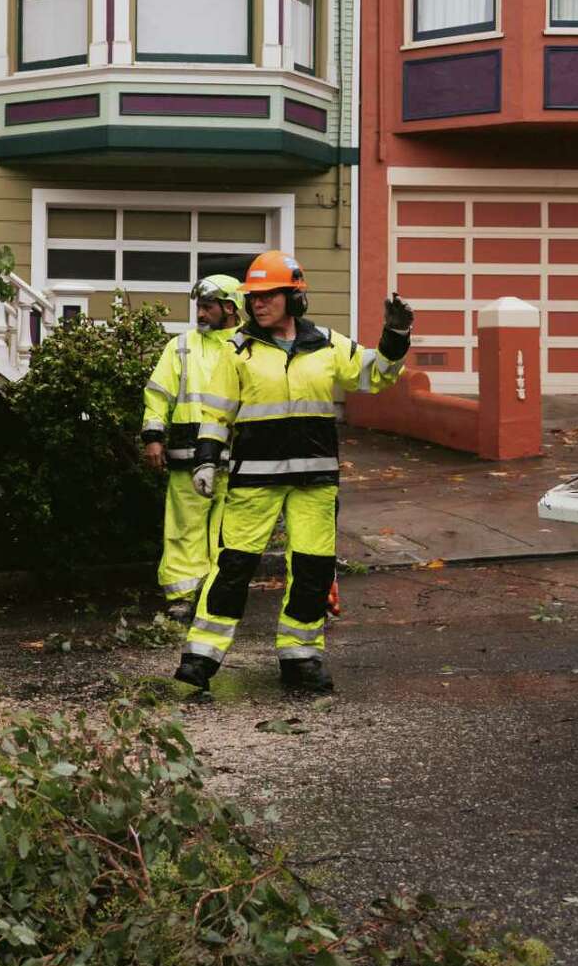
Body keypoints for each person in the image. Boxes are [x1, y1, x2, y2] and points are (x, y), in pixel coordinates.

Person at [174, 251, 415, 695]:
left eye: (269, 295)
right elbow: (216, 413)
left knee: (311, 571)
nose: (258, 303)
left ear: (294, 297)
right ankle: (200, 658)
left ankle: (300, 657)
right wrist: (206, 458)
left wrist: (396, 334)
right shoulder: (237, 349)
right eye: (254, 297)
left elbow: (376, 375)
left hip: (314, 482)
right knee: (233, 566)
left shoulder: (327, 343)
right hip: (253, 481)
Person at [140, 274, 244, 622]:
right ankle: (183, 597)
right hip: (188, 457)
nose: (200, 314)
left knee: (227, 533)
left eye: (207, 307)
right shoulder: (181, 347)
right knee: (185, 529)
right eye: (199, 307)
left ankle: (216, 595)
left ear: (229, 307)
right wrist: (153, 437)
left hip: (236, 459)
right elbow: (158, 394)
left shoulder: (250, 347)